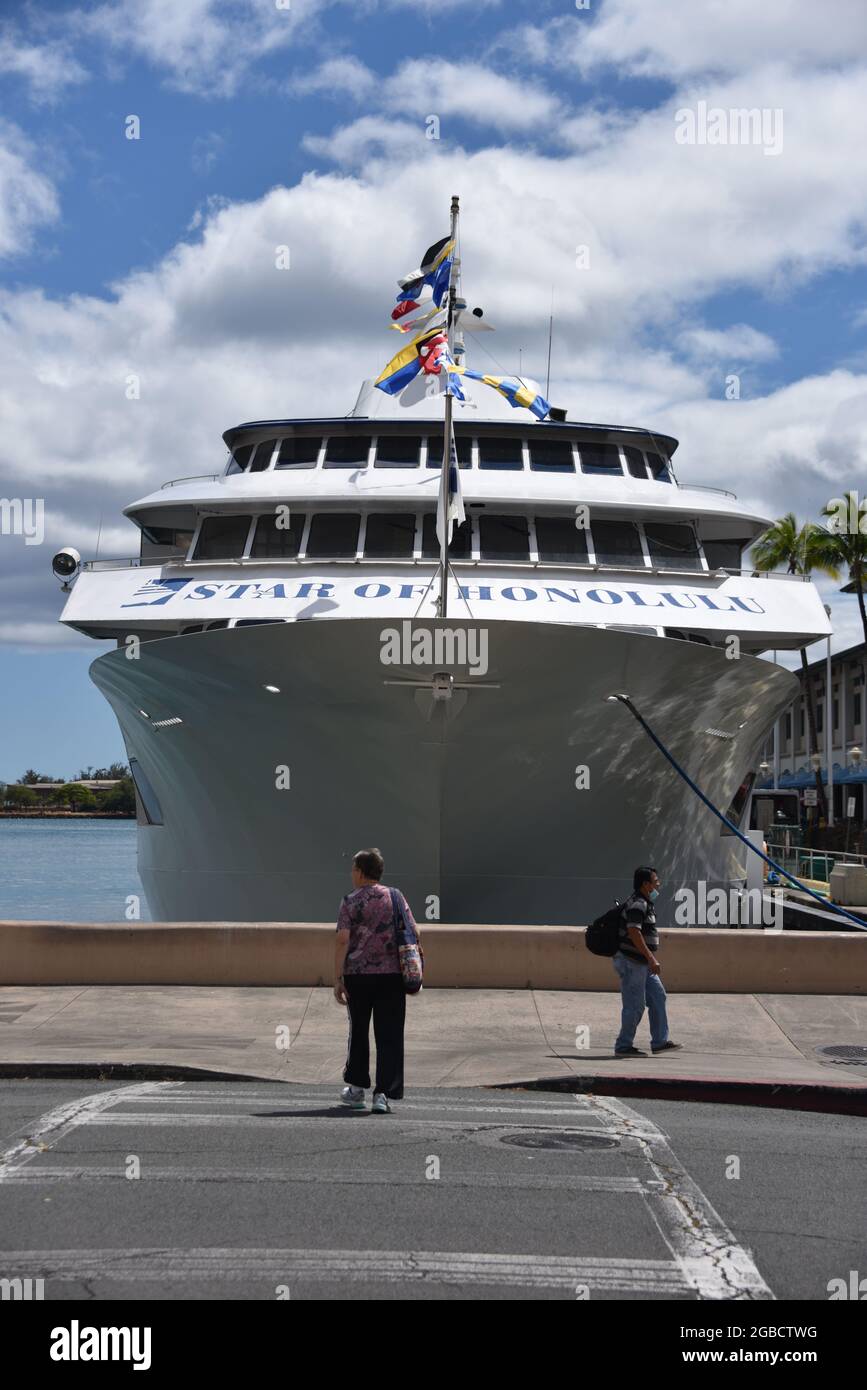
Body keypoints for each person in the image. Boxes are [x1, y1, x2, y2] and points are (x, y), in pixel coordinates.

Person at [333, 847, 418, 1113]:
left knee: (359, 1031)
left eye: (353, 869)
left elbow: (342, 940)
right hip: (392, 977)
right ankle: (382, 1095)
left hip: (358, 976)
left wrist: (338, 978)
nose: (351, 874)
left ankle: (357, 1089)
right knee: (389, 1034)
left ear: (360, 872)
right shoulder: (395, 896)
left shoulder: (349, 901)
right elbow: (414, 930)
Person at [613, 866, 682, 1058]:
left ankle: (659, 1042)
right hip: (632, 962)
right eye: (655, 881)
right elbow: (634, 931)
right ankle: (623, 1045)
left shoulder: (645, 903)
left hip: (643, 963)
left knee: (658, 997)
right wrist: (651, 958)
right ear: (646, 884)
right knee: (635, 1005)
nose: (658, 885)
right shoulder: (638, 904)